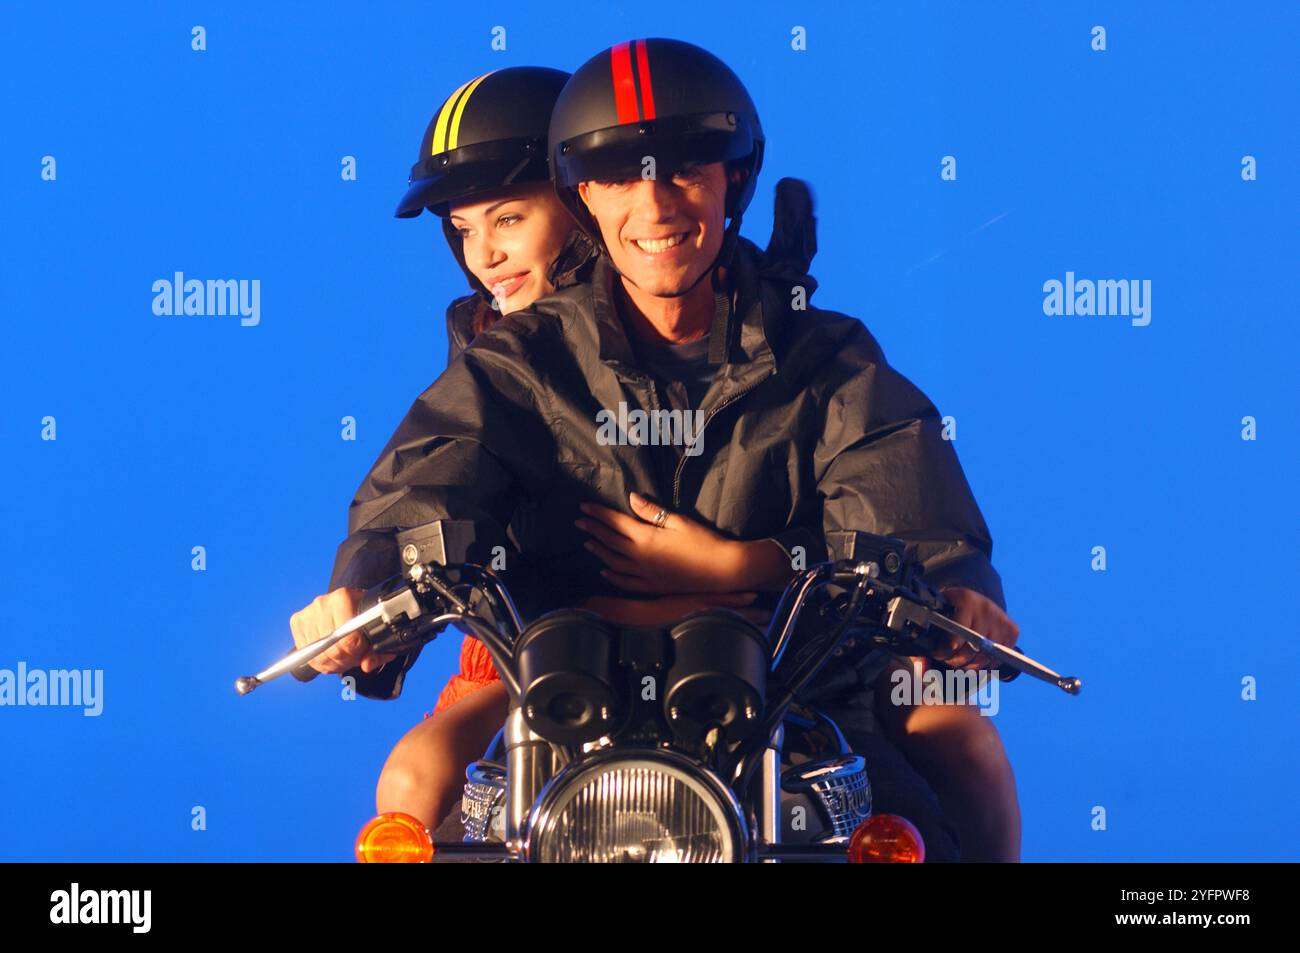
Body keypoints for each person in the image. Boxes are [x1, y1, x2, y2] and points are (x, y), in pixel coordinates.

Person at [297, 39, 1019, 860]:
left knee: (938, 780)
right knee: (420, 810)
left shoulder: (826, 357)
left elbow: (897, 479)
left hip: (796, 673)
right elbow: (432, 478)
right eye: (618, 177)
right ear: (585, 199)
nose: (655, 204)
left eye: (683, 168)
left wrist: (953, 593)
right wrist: (362, 592)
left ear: (732, 180)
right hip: (568, 679)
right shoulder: (517, 364)